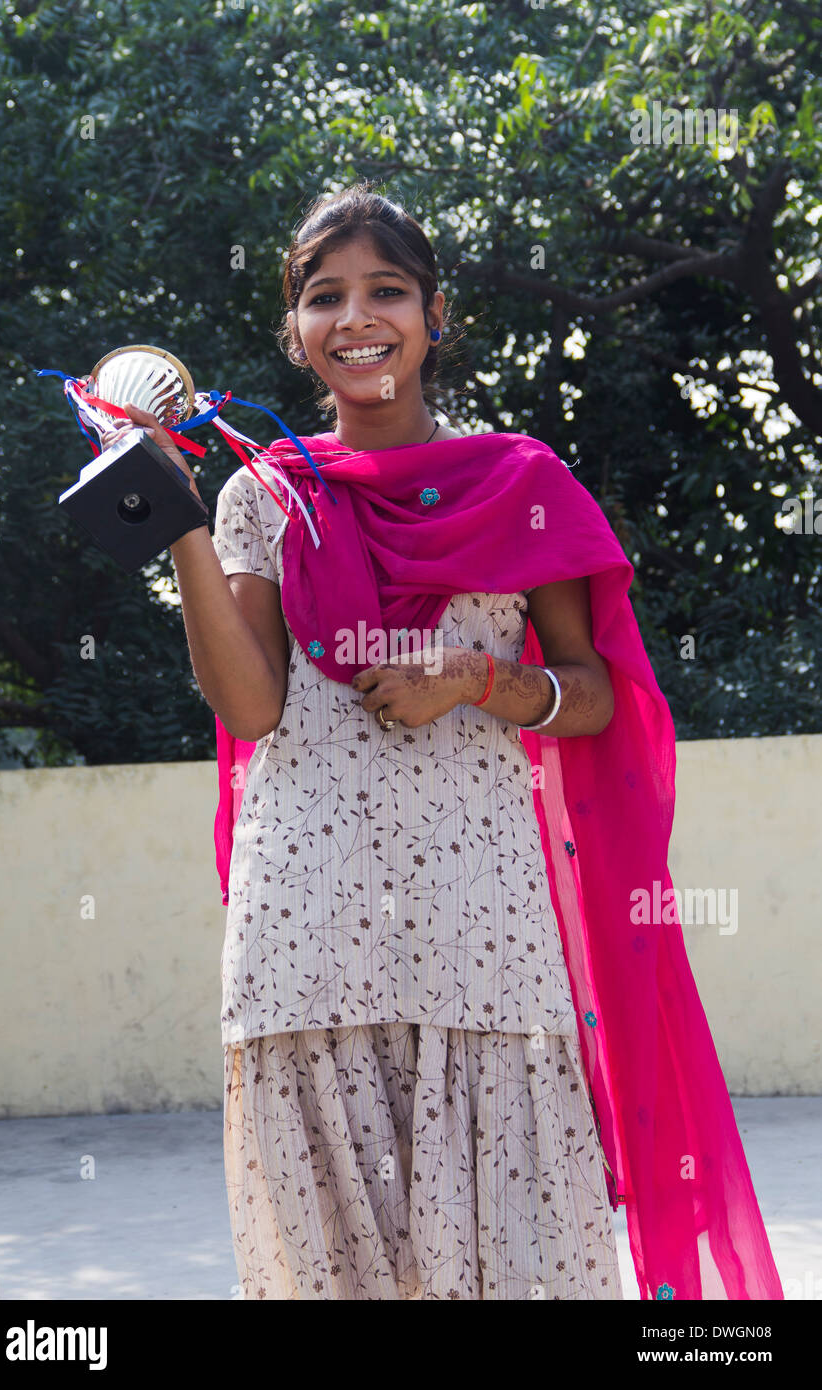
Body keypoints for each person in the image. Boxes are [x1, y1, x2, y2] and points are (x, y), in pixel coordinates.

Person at [103, 182, 783, 1301]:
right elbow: (252, 709)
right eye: (325, 297)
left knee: (516, 1255)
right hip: (307, 923)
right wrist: (178, 522)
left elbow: (594, 695)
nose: (356, 318)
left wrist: (474, 679)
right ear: (296, 331)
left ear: (432, 315)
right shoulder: (264, 495)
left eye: (385, 290)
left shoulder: (518, 485)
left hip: (480, 922)